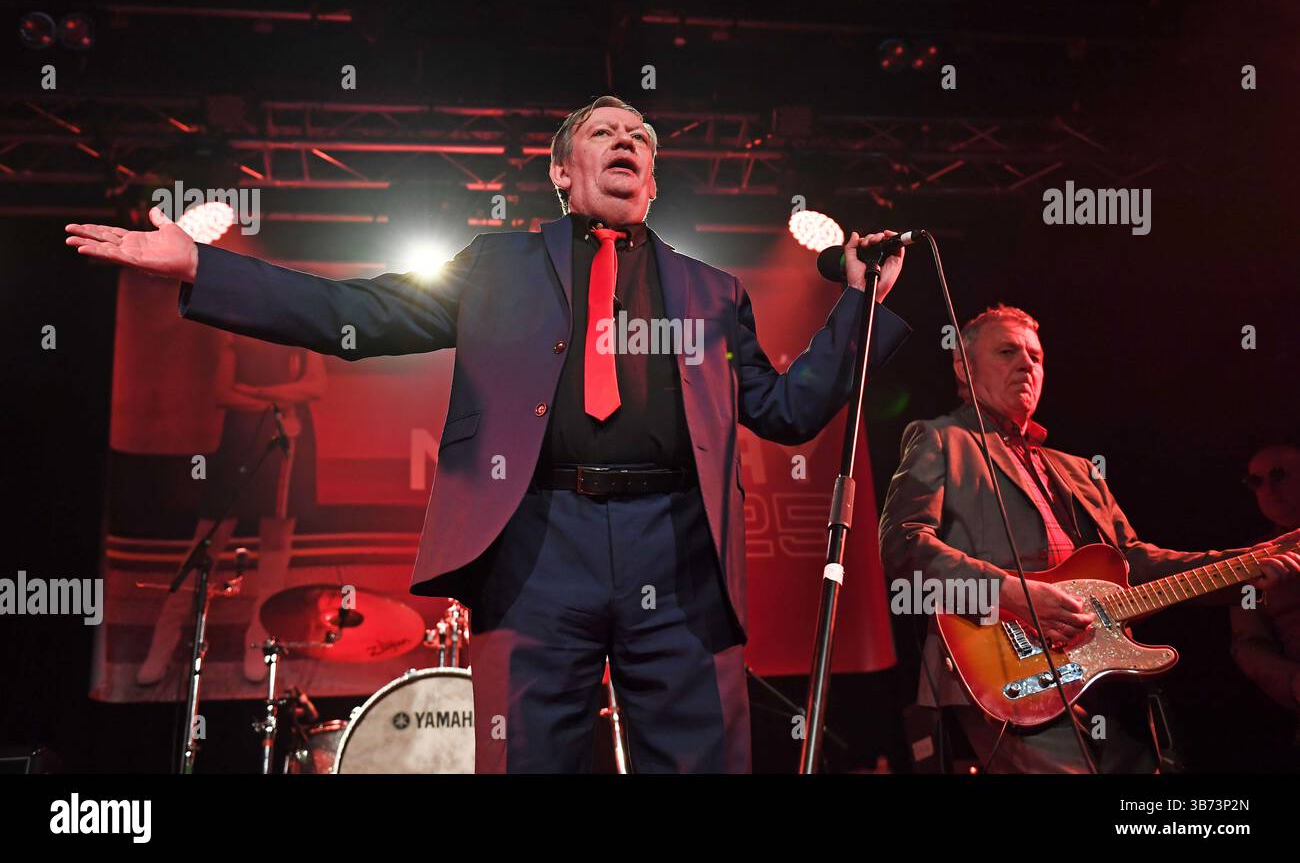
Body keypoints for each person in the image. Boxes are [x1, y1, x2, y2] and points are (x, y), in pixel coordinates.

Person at [66, 95, 912, 772]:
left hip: (679, 551)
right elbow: (349, 312)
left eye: (640, 136)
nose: (627, 141)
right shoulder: (495, 267)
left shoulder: (712, 291)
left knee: (699, 758)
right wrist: (200, 267)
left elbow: (788, 410)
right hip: (538, 545)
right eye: (604, 132)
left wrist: (860, 305)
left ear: (653, 178)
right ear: (560, 171)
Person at [877, 304, 1300, 773]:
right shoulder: (942, 439)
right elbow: (903, 544)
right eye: (1007, 352)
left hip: (1103, 665)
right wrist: (1010, 592)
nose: (1026, 365)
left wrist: (1251, 560)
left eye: (1036, 357)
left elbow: (1136, 562)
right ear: (963, 364)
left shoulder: (1077, 469)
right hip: (1008, 665)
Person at [135, 333, 326, 686]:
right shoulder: (235, 327)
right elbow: (222, 392)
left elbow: (315, 386)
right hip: (240, 439)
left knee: (275, 550)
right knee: (205, 543)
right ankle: (162, 644)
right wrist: (280, 397)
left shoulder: (300, 325)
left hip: (290, 441)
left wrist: (253, 394)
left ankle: (257, 644)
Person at [1229, 443, 1300, 764]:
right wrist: (1293, 682)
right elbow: (1248, 643)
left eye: (1279, 475)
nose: (1269, 489)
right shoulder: (1249, 561)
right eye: (1256, 482)